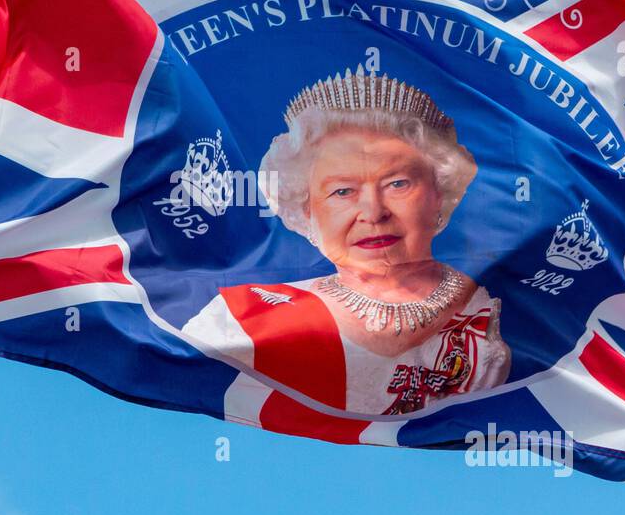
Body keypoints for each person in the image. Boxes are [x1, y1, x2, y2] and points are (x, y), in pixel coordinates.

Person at [182, 67, 510, 416]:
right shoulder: (243, 318)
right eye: (342, 191)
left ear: (439, 194)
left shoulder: (489, 314)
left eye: (398, 184)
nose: (373, 212)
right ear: (306, 210)